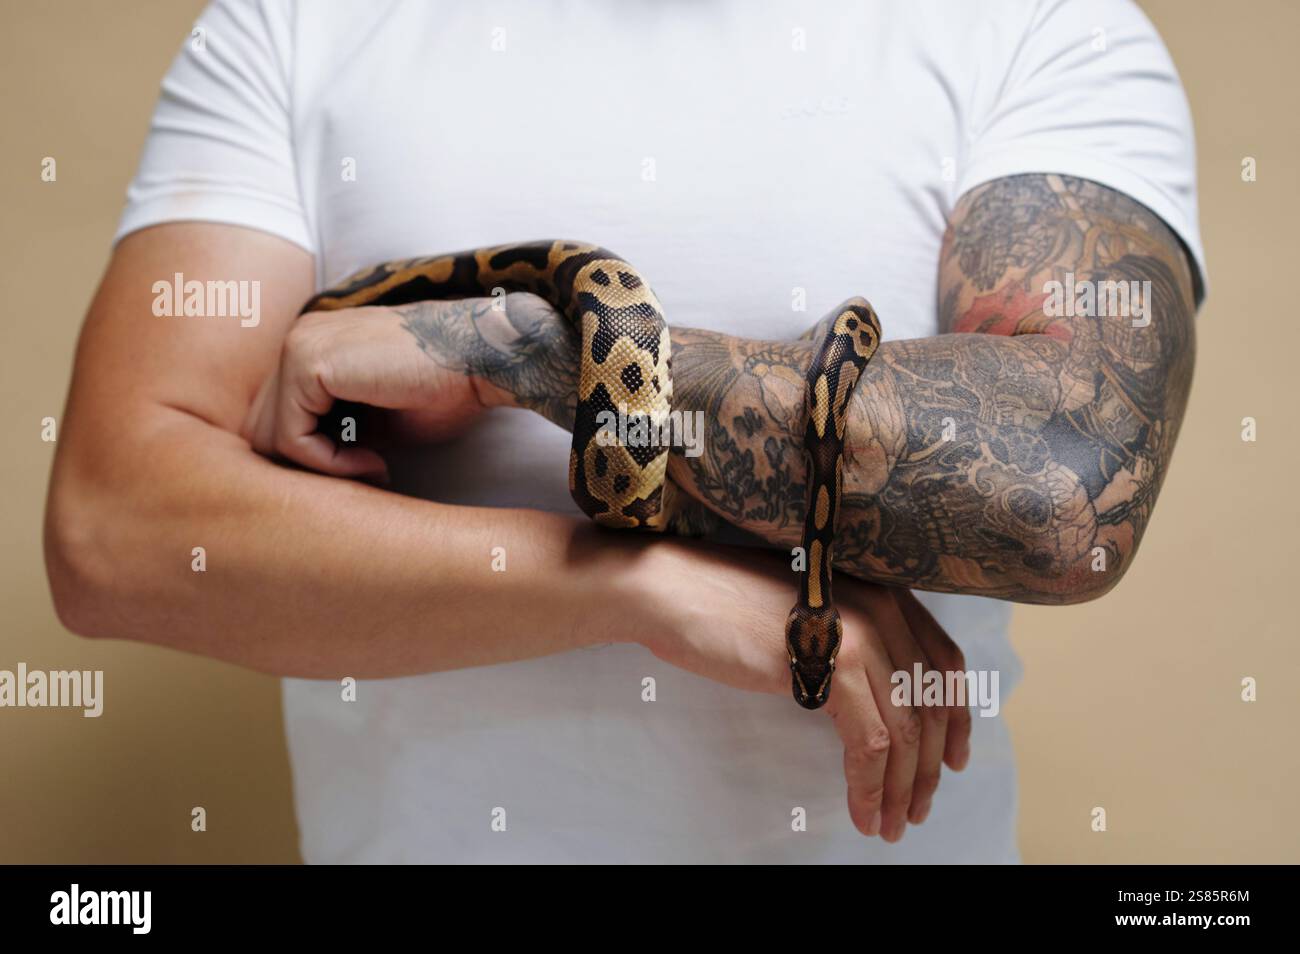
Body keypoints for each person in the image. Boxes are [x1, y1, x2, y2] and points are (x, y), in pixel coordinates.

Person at [45, 0, 1204, 863]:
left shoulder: (1041, 30)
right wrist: (640, 591)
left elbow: (1066, 486)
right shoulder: (296, 27)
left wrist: (514, 352)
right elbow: (117, 532)